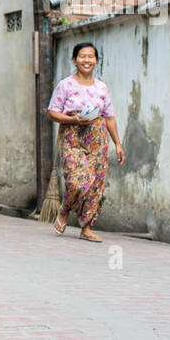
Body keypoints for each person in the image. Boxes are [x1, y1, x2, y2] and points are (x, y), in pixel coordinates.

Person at [46, 41, 125, 242]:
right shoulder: (65, 85)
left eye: (91, 56)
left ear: (96, 60)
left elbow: (109, 117)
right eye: (82, 56)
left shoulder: (101, 87)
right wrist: (73, 119)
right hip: (73, 137)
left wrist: (117, 143)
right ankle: (64, 210)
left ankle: (86, 227)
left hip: (98, 139)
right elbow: (51, 113)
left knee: (96, 183)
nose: (86, 60)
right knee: (77, 181)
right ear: (74, 60)